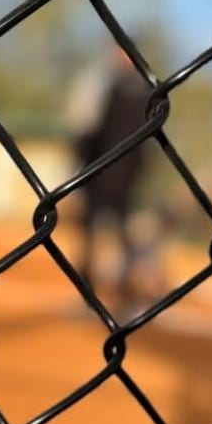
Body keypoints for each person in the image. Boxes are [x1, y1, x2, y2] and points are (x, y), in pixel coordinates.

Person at [67, 47, 153, 318]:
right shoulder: (100, 84)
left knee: (124, 235)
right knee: (89, 232)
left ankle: (126, 294)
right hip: (97, 170)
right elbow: (83, 127)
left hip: (126, 175)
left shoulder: (147, 91)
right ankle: (87, 293)